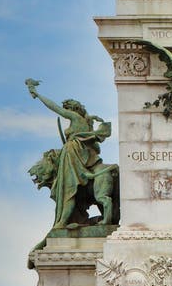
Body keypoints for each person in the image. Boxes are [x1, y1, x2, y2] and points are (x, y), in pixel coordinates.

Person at [26, 81, 114, 228]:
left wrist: (38, 95)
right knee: (68, 186)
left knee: (68, 188)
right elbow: (95, 147)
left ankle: (62, 222)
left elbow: (54, 108)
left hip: (72, 154)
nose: (65, 111)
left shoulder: (75, 117)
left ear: (72, 109)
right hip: (77, 153)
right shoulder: (86, 123)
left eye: (67, 109)